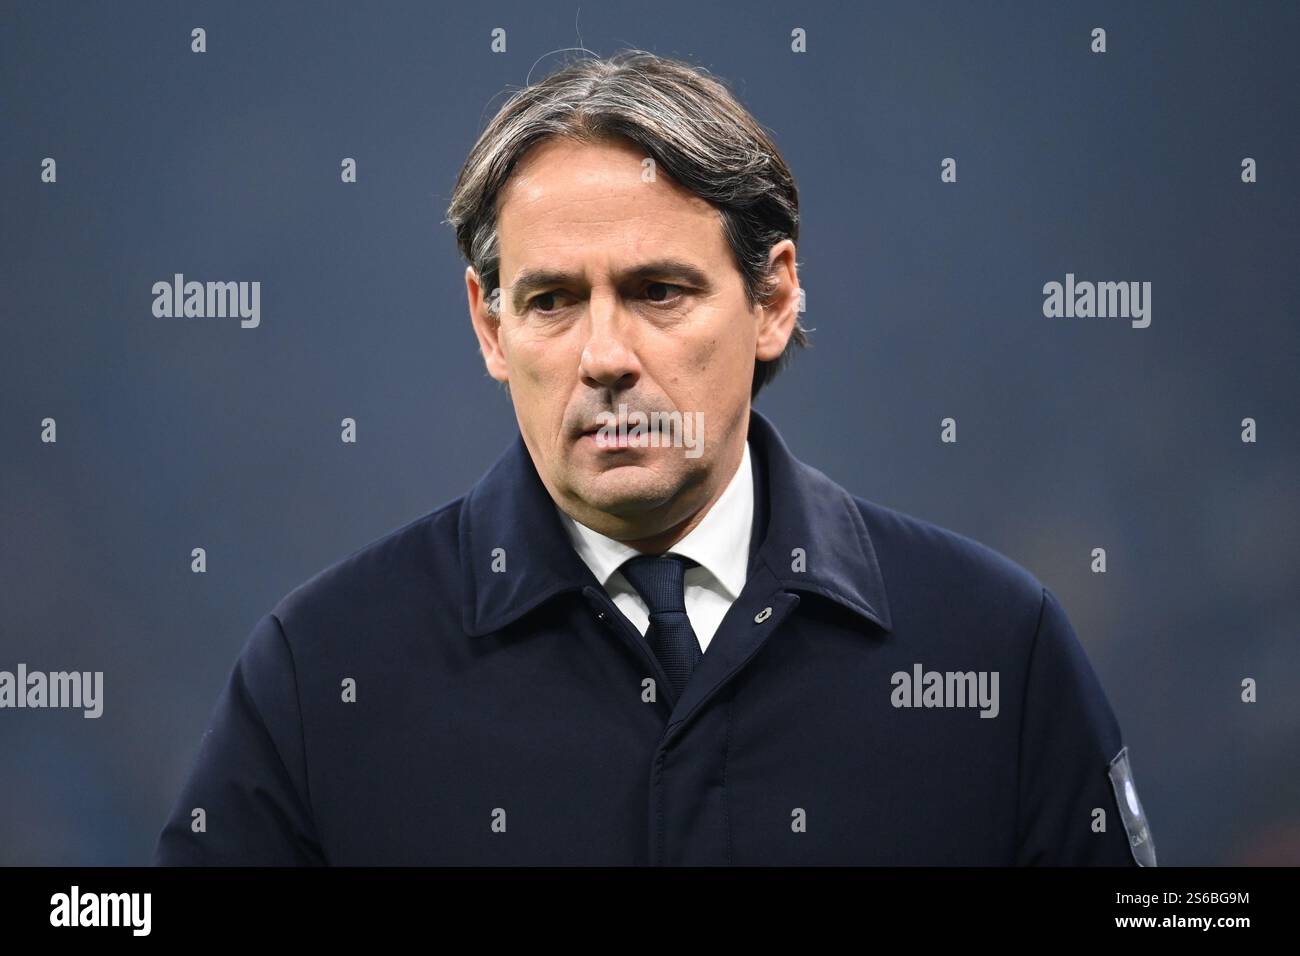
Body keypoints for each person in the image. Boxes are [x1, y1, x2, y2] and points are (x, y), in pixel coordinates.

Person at [154, 50, 1155, 866]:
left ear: (772, 299)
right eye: (551, 300)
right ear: (488, 324)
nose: (604, 358)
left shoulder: (991, 646)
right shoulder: (324, 671)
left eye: (658, 292)